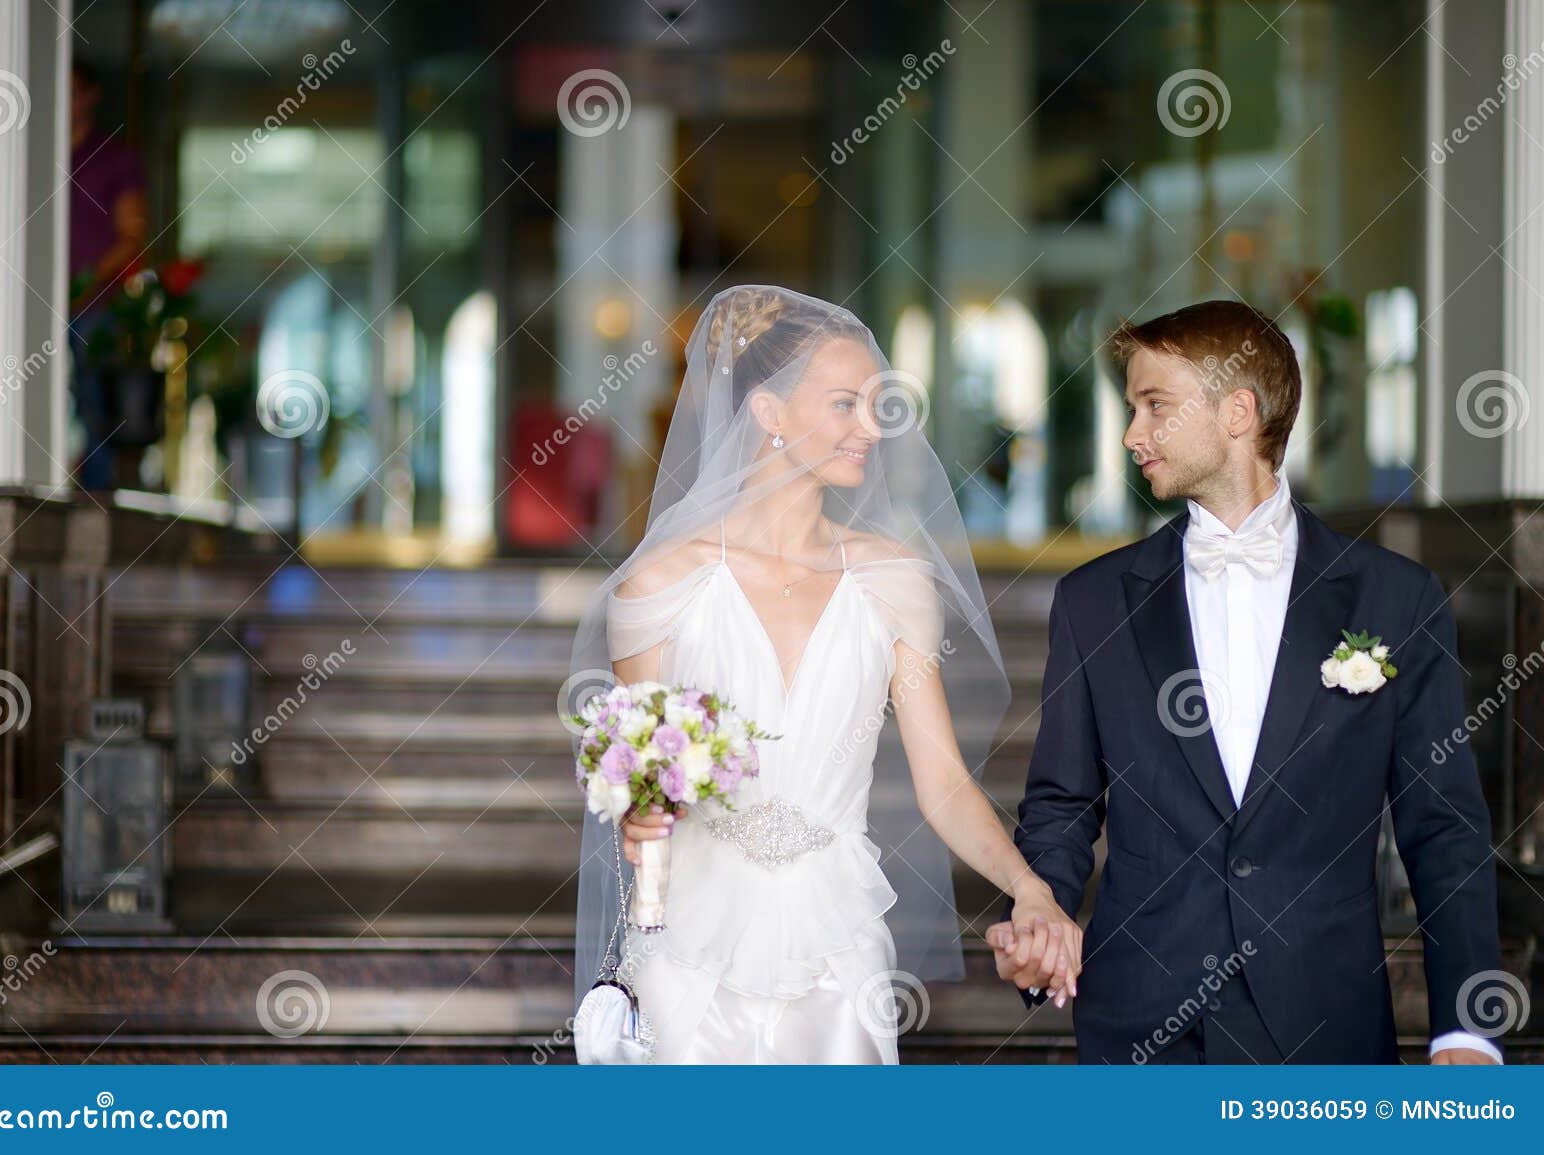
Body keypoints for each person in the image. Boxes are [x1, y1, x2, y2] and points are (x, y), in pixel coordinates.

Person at [569, 285, 1080, 1063]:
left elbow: (941, 781)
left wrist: (1029, 884)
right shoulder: (660, 588)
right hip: (688, 950)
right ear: (769, 414)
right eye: (846, 404)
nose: (871, 427)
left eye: (876, 403)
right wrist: (642, 825)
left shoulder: (892, 580)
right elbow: (643, 793)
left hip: (839, 940)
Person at [999, 299, 1503, 1064]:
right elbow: (1063, 805)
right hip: (1140, 1028)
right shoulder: (1093, 600)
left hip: (1325, 1027)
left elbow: (1443, 826)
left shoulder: (1395, 597)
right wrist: (1040, 915)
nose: (1133, 433)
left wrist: (1467, 1026)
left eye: (1154, 405)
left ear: (1238, 412)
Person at [68, 57, 147, 491]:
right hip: (34, 305)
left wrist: (80, 284)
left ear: (90, 95)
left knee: (94, 404)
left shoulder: (115, 158)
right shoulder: (31, 154)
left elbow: (132, 235)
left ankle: (94, 503)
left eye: (73, 91)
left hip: (97, 306)